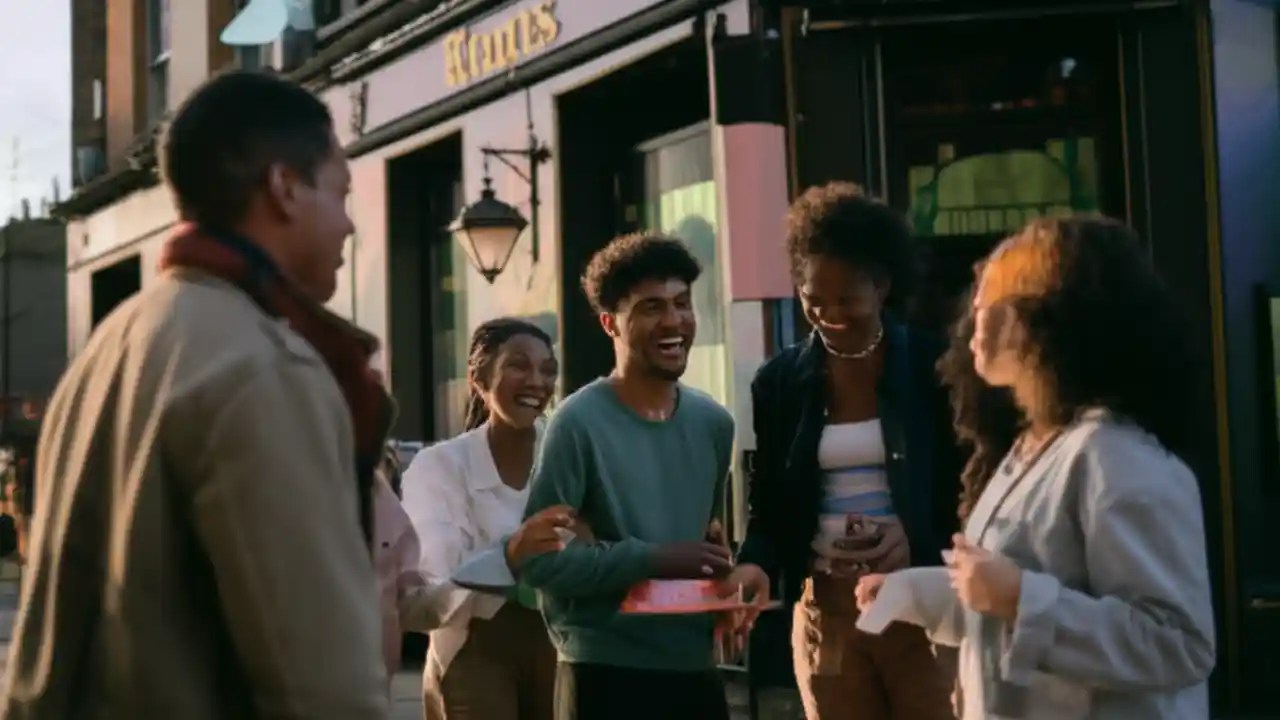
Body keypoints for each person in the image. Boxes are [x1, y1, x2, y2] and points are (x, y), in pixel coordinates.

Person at [1, 71, 391, 718]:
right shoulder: (261, 366)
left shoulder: (113, 342)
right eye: (341, 192)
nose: (349, 224)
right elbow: (323, 688)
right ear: (284, 188)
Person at [857, 216, 1216, 718]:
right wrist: (919, 592)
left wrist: (1020, 597)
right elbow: (1011, 596)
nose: (975, 312)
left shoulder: (1115, 455)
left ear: (1054, 319)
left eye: (996, 301)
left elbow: (1179, 642)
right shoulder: (1035, 447)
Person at [512, 233, 770, 720]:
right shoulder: (576, 423)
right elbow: (541, 566)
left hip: (695, 672)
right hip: (603, 672)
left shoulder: (714, 424)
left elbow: (704, 543)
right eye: (651, 307)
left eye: (682, 303)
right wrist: (653, 558)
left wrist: (728, 586)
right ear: (611, 322)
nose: (674, 320)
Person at [736, 182, 958, 719]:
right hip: (828, 611)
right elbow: (768, 503)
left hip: (923, 604)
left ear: (882, 286)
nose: (830, 313)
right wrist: (754, 566)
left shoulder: (936, 368)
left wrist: (927, 550)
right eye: (814, 299)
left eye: (847, 299)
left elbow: (964, 484)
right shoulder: (780, 381)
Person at [399, 318, 566, 720]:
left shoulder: (567, 454)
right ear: (479, 378)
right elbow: (423, 600)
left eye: (547, 369)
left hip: (564, 642)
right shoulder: (438, 467)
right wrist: (507, 556)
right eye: (518, 365)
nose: (536, 381)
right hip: (473, 647)